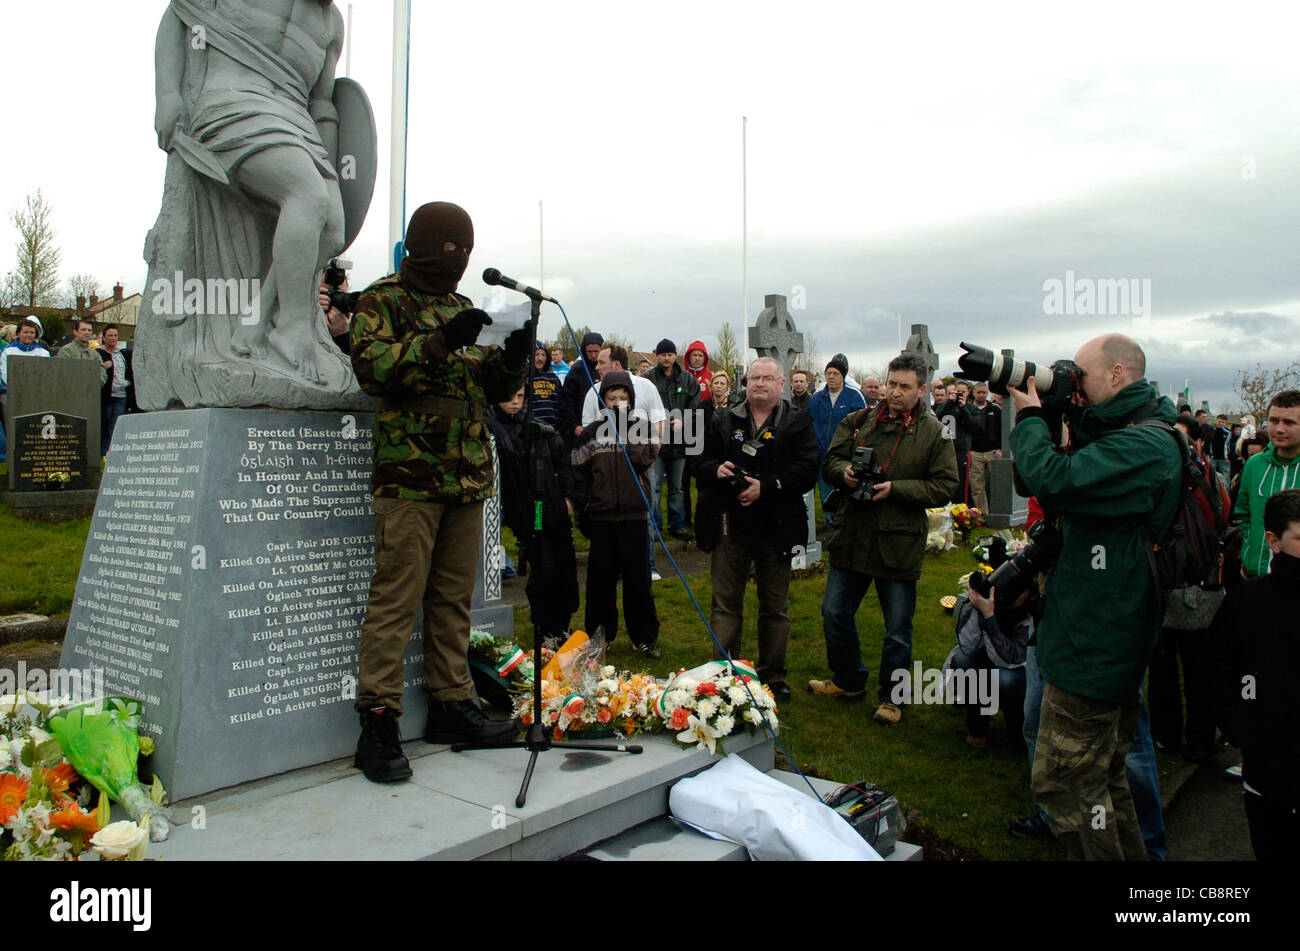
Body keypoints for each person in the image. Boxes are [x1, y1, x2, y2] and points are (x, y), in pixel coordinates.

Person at [348, 201, 531, 783]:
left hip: (466, 473)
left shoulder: (461, 306)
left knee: (453, 600)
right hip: (409, 477)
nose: (459, 261)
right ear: (423, 246)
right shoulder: (383, 299)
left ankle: (452, 703)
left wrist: (514, 355)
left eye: (467, 252)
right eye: (451, 250)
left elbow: (491, 385)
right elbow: (372, 368)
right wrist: (436, 343)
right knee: (395, 600)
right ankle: (378, 720)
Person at [1008, 333, 1182, 861]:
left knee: (1066, 786)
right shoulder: (1122, 431)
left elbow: (1055, 482)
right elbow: (1033, 480)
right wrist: (1060, 412)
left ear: (1116, 375)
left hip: (1099, 643)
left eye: (1079, 376)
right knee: (1105, 781)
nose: (1073, 385)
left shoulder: (1146, 445)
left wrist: (1032, 418)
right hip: (1092, 633)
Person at [809, 354, 958, 725]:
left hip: (898, 541)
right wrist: (845, 473)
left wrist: (897, 489)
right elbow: (831, 459)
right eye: (892, 384)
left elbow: (945, 486)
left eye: (904, 386)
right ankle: (848, 679)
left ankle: (894, 698)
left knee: (898, 631)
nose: (895, 392)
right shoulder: (860, 420)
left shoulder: (934, 432)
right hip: (854, 535)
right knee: (834, 612)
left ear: (921, 389)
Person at [694, 357, 820, 702]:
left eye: (767, 378)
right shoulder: (722, 419)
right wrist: (716, 468)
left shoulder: (798, 423)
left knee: (775, 606)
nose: (760, 383)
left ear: (782, 385)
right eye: (754, 378)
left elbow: (808, 469)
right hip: (729, 525)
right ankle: (723, 671)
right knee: (725, 603)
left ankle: (773, 676)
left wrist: (767, 487)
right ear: (745, 383)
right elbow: (697, 462)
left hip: (778, 527)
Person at [1210, 488, 1300, 860]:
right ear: (1273, 541)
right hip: (1269, 774)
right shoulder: (1247, 603)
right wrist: (1245, 731)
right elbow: (1221, 673)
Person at [570, 371, 661, 657]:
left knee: (639, 581)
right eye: (612, 398)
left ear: (631, 400)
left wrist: (624, 429)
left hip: (635, 516)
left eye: (623, 398)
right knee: (600, 583)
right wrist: (584, 507)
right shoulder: (591, 432)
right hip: (602, 518)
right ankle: (599, 637)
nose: (618, 402)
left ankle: (644, 637)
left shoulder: (642, 428)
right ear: (603, 400)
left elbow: (645, 457)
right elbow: (577, 470)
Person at [486, 386, 578, 648]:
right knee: (544, 570)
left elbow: (566, 466)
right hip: (534, 513)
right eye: (508, 397)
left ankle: (563, 625)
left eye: (519, 397)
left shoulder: (542, 432)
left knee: (565, 570)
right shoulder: (495, 431)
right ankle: (546, 628)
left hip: (557, 511)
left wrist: (570, 499)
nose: (514, 403)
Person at [945, 576, 1033, 750]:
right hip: (986, 667)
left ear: (1031, 595)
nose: (1012, 594)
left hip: (1018, 674)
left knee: (1001, 679)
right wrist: (978, 607)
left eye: (1019, 590)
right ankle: (976, 727)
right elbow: (966, 644)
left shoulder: (1031, 616)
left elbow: (1010, 658)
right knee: (963, 661)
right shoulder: (996, 603)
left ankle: (1017, 729)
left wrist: (989, 619)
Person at [1232, 390, 1300, 578]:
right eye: (1274, 420)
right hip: (1256, 574)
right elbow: (1242, 513)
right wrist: (1249, 549)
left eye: (1289, 422)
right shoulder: (1254, 465)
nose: (1279, 428)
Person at [646, 339, 701, 543]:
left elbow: (697, 406)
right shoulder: (648, 379)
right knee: (655, 485)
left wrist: (684, 419)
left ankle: (677, 525)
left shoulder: (687, 380)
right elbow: (642, 405)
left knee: (677, 487)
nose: (666, 358)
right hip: (657, 441)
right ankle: (654, 525)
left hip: (680, 441)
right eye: (663, 354)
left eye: (670, 354)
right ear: (657, 356)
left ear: (675, 356)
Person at [806, 354, 867, 524]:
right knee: (827, 496)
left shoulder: (854, 396)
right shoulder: (816, 399)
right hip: (821, 456)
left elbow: (863, 423)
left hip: (844, 456)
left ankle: (846, 527)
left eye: (836, 374)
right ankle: (831, 528)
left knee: (844, 494)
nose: (831, 377)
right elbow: (809, 423)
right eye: (828, 373)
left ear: (843, 376)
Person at [1, 319, 52, 463]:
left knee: (34, 429)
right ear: (18, 333)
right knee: (13, 430)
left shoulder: (43, 353)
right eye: (25, 332)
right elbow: (5, 374)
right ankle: (13, 460)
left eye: (32, 332)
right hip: (12, 396)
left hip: (36, 397)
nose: (28, 335)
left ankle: (33, 459)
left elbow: (46, 375)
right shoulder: (7, 351)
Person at [934, 379, 977, 504]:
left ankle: (961, 514)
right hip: (945, 448)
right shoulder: (946, 405)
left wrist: (963, 408)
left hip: (962, 449)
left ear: (968, 393)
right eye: (958, 391)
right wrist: (949, 402)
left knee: (962, 483)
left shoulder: (971, 408)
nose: (960, 394)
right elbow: (938, 418)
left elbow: (975, 426)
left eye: (963, 392)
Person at [558, 332, 604, 443]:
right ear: (584, 351)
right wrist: (575, 425)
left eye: (596, 351)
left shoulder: (606, 368)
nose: (593, 355)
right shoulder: (576, 370)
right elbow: (566, 401)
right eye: (589, 352)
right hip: (581, 427)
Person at [966, 382, 1001, 513]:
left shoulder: (995, 410)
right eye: (978, 392)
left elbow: (1001, 430)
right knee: (977, 486)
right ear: (973, 393)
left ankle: (998, 512)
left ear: (987, 393)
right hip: (974, 452)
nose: (981, 395)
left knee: (998, 483)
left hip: (993, 451)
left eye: (984, 392)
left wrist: (1000, 448)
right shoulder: (967, 409)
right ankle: (982, 515)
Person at [99, 325, 135, 456]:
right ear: (104, 338)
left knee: (114, 428)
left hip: (122, 396)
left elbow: (130, 371)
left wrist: (128, 383)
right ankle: (101, 455)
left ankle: (110, 455)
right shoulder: (99, 353)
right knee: (104, 427)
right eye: (110, 335)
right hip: (107, 396)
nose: (113, 338)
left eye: (115, 335)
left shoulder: (123, 354)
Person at [57, 319, 108, 389]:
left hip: (91, 394)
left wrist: (92, 385)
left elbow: (102, 376)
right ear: (75, 332)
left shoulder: (95, 355)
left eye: (89, 330)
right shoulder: (66, 351)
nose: (87, 332)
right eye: (83, 329)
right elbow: (64, 374)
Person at [526, 342, 562, 429]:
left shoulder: (553, 378)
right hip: (532, 429)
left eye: (543, 355)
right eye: (536, 354)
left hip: (552, 429)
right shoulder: (524, 379)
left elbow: (561, 404)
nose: (540, 358)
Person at [1208, 414, 1233, 485]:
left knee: (1225, 479)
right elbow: (1207, 444)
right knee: (1211, 478)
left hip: (1224, 459)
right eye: (1219, 421)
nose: (1221, 423)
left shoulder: (1228, 433)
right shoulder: (1211, 431)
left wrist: (1229, 457)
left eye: (1223, 422)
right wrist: (1209, 455)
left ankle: (1226, 494)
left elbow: (1230, 446)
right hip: (1212, 458)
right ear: (1216, 421)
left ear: (1225, 423)